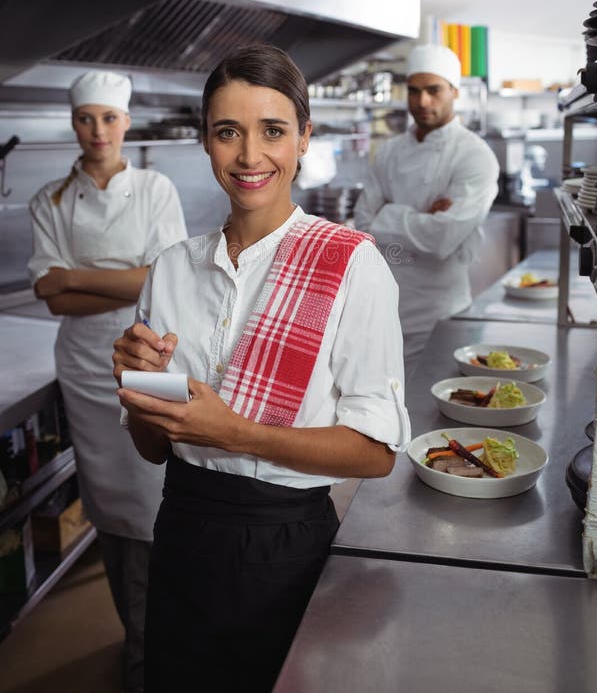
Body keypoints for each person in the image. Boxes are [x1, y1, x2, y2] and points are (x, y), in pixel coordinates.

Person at [112, 43, 410, 693]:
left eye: (272, 130)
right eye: (228, 132)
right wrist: (136, 392)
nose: (250, 156)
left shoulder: (351, 265)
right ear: (206, 142)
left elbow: (375, 451)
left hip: (289, 543)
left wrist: (235, 432)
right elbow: (154, 447)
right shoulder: (171, 270)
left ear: (303, 137)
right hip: (184, 534)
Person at [28, 70, 187, 693]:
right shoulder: (52, 199)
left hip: (151, 357)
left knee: (160, 496)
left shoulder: (154, 187)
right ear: (74, 124)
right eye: (85, 119)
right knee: (114, 511)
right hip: (84, 370)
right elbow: (50, 296)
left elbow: (163, 280)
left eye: (109, 119)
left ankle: (166, 644)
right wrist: (123, 279)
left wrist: (76, 276)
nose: (98, 131)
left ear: (126, 123)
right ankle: (140, 649)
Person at [354, 43, 499, 378]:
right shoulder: (389, 151)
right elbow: (363, 224)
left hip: (442, 314)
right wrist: (423, 218)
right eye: (414, 91)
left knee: (433, 413)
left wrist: (387, 214)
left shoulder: (474, 156)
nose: (422, 102)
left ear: (454, 91)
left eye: (433, 90)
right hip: (384, 306)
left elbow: (442, 238)